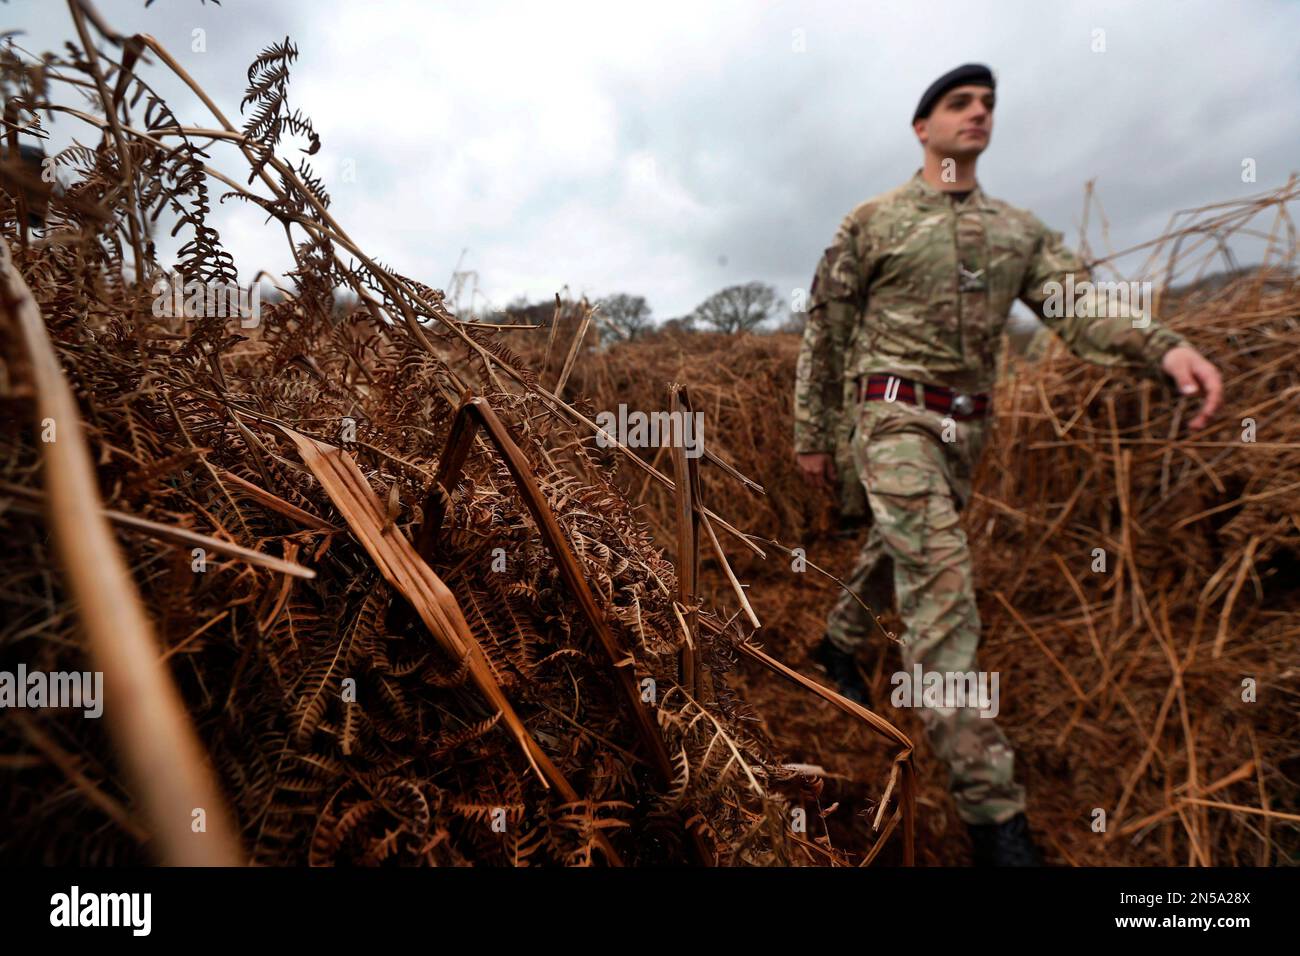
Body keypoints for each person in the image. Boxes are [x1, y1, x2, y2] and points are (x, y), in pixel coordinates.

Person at [793, 63, 1223, 865]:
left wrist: (1167, 349)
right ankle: (994, 815)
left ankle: (838, 645)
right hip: (891, 421)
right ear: (922, 127)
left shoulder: (1017, 233)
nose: (979, 113)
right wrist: (813, 434)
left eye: (989, 104)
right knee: (943, 589)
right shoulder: (873, 222)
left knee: (906, 544)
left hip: (966, 435)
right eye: (960, 103)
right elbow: (825, 333)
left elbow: (1079, 306)